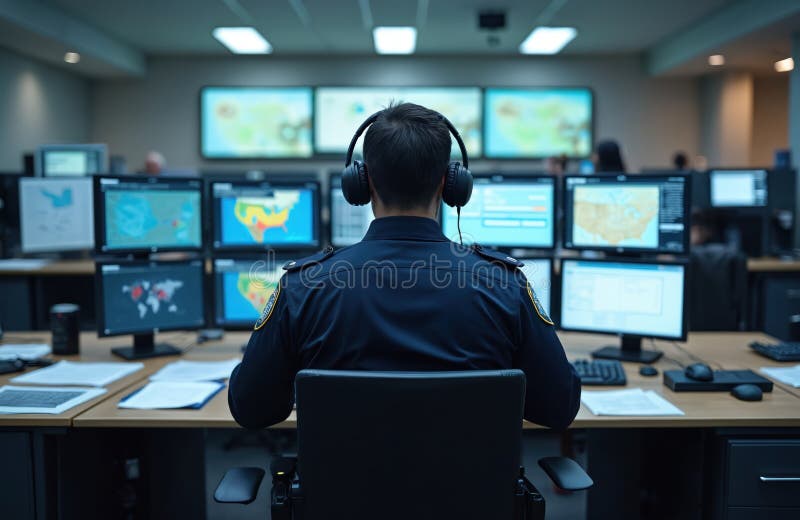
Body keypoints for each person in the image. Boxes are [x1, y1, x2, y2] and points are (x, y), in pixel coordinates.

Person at [228, 103, 580, 430]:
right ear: (450, 184)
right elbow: (558, 407)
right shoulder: (504, 285)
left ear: (362, 183)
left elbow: (251, 408)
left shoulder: (304, 286)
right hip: (469, 496)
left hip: (341, 497)